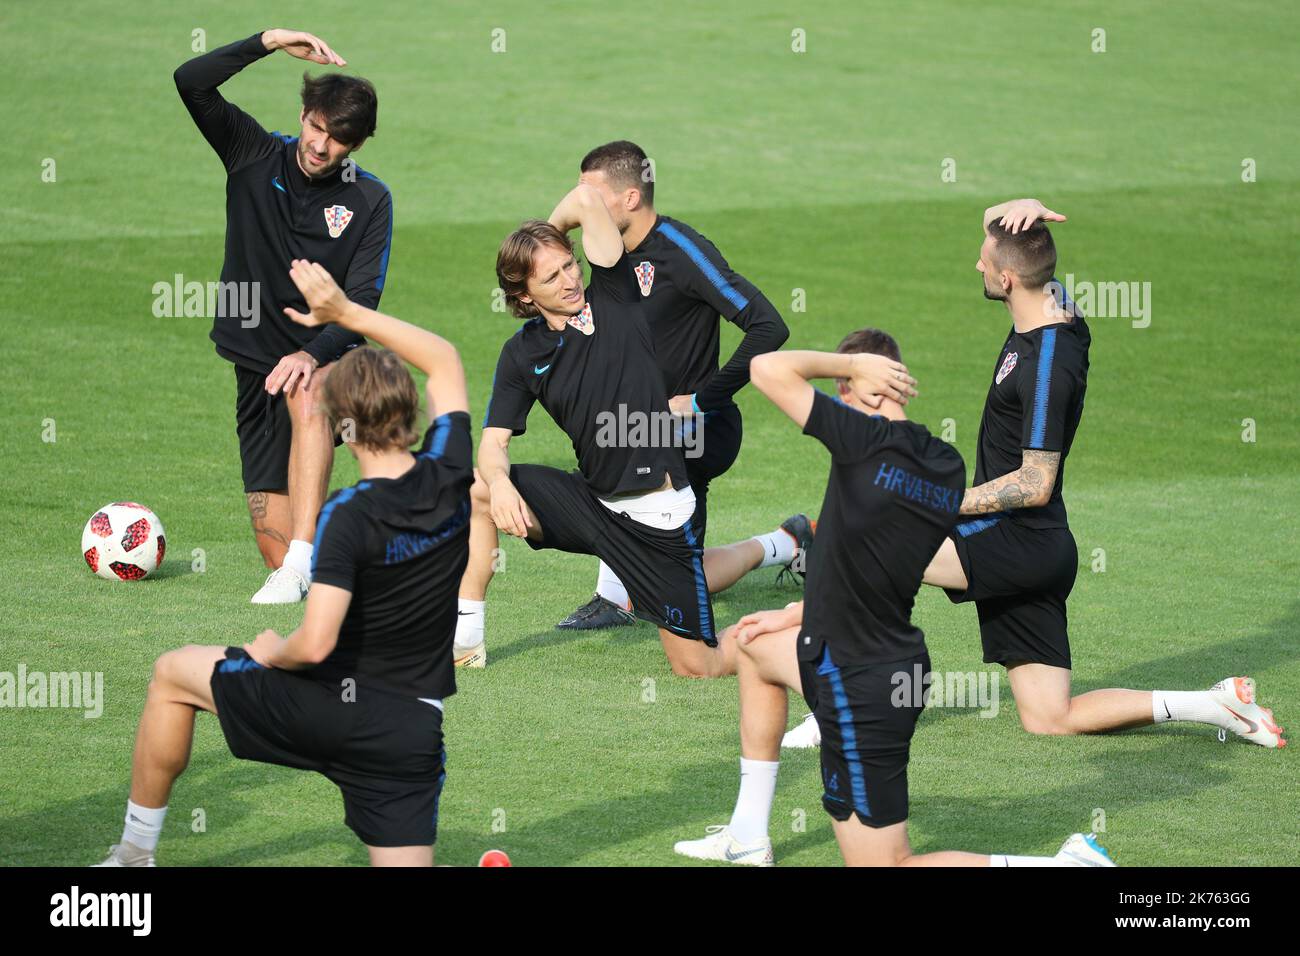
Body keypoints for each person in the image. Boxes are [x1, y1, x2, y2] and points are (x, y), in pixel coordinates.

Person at [783, 199, 1283, 750]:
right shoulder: (1063, 316)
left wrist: (940, 502)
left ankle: (829, 707)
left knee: (867, 551)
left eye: (983, 261)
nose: (975, 267)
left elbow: (1035, 482)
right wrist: (1015, 209)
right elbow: (1024, 256)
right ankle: (1215, 705)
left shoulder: (1049, 363)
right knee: (1050, 715)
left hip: (1013, 538)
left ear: (1006, 277)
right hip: (1038, 547)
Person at [674, 331, 1116, 867]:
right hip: (864, 656)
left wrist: (850, 362)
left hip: (860, 681)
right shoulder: (944, 464)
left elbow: (767, 366)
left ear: (857, 385)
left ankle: (1062, 868)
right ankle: (747, 834)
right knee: (752, 649)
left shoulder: (861, 443)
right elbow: (869, 564)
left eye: (845, 388)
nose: (838, 401)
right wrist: (799, 612)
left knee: (888, 865)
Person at [95, 261, 468, 867]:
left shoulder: (346, 515)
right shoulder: (452, 472)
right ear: (412, 411)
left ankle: (134, 856)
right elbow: (445, 359)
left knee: (172, 674)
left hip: (328, 712)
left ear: (340, 428)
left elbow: (316, 644)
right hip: (411, 733)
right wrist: (347, 313)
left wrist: (270, 651)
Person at [452, 185, 909, 676]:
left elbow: (587, 197)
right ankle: (465, 638)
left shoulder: (615, 296)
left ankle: (786, 563)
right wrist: (499, 484)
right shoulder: (522, 354)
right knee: (479, 486)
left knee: (698, 665)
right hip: (593, 505)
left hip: (659, 513)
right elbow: (493, 443)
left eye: (569, 265)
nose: (569, 280)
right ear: (522, 296)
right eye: (551, 276)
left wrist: (545, 235)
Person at [174, 28, 393, 604]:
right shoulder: (251, 154)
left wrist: (312, 352)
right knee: (280, 549)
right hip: (255, 364)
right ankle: (332, 566)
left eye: (339, 139)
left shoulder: (370, 200)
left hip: (331, 360)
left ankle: (332, 551)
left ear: (358, 145)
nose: (321, 146)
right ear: (303, 114)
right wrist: (266, 41)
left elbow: (363, 300)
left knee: (311, 391)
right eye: (317, 127)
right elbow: (190, 82)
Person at [554, 141, 809, 632]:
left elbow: (769, 326)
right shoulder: (608, 256)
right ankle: (789, 543)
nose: (583, 205)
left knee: (669, 580)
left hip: (696, 430)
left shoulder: (683, 251)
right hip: (648, 429)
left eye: (592, 196)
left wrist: (703, 398)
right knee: (674, 580)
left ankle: (617, 597)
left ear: (631, 198)